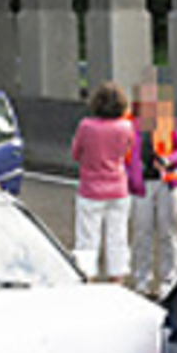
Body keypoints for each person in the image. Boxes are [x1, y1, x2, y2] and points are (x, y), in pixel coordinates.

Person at [70, 81, 135, 282]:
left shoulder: (86, 126)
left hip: (90, 190)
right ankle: (117, 278)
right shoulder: (126, 127)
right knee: (118, 237)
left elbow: (75, 153)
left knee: (87, 239)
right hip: (118, 189)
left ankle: (88, 277)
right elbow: (127, 153)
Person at [126, 85, 177, 298]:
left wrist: (169, 160)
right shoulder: (130, 123)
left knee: (167, 232)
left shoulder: (169, 122)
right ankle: (142, 279)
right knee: (141, 232)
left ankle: (169, 280)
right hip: (140, 184)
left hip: (166, 183)